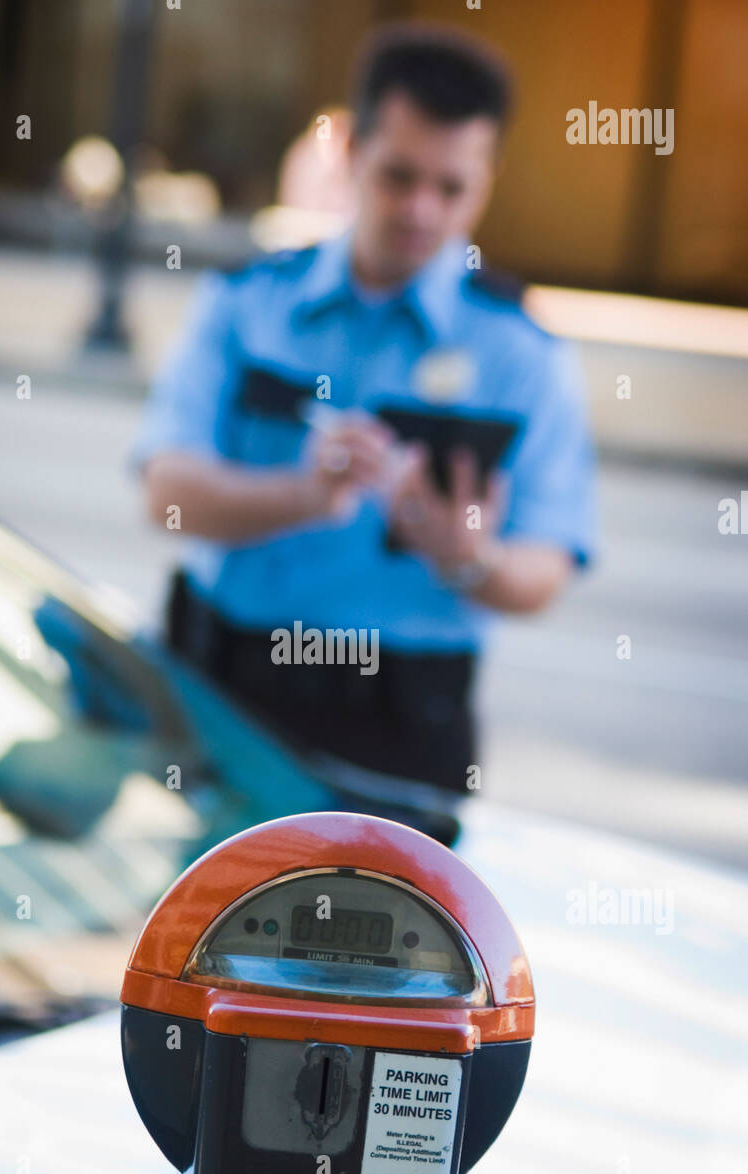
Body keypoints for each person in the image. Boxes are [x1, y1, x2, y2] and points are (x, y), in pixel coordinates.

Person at [132, 23, 596, 808]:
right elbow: (165, 495)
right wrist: (304, 495)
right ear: (350, 154)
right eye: (398, 176)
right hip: (227, 691)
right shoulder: (247, 305)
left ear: (490, 178)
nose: (421, 209)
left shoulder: (521, 351)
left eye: (452, 188)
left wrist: (469, 559)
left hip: (401, 717)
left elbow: (546, 570)